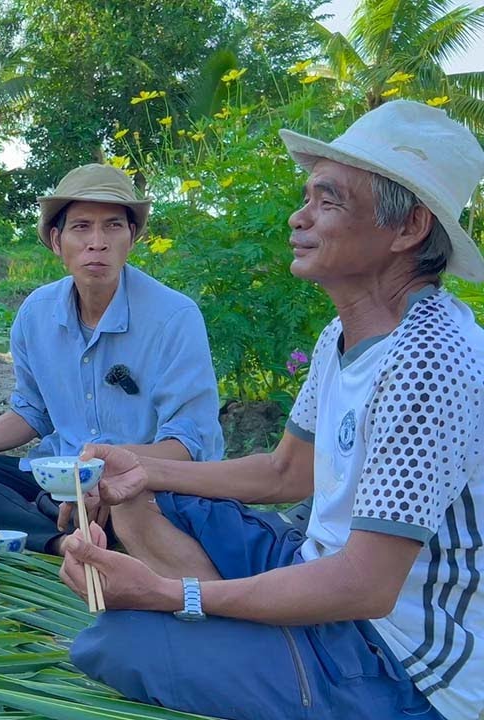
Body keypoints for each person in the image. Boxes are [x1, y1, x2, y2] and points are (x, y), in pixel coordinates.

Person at [60, 100, 483, 720]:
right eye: (306, 196)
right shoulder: (343, 338)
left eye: (328, 201)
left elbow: (366, 585)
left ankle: (210, 620)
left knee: (116, 644)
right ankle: (228, 626)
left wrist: (171, 595)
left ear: (408, 228)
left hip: (395, 657)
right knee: (155, 500)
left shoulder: (429, 361)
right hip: (322, 569)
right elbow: (287, 473)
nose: (299, 217)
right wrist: (144, 471)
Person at [0, 163, 224, 553]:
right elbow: (32, 413)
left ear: (132, 237)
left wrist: (103, 478)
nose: (97, 242)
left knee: (163, 509)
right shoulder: (36, 314)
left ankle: (58, 529)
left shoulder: (174, 318)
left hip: (144, 486)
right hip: (62, 481)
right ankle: (62, 542)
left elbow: (187, 444)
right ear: (57, 241)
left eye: (112, 226)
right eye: (81, 227)